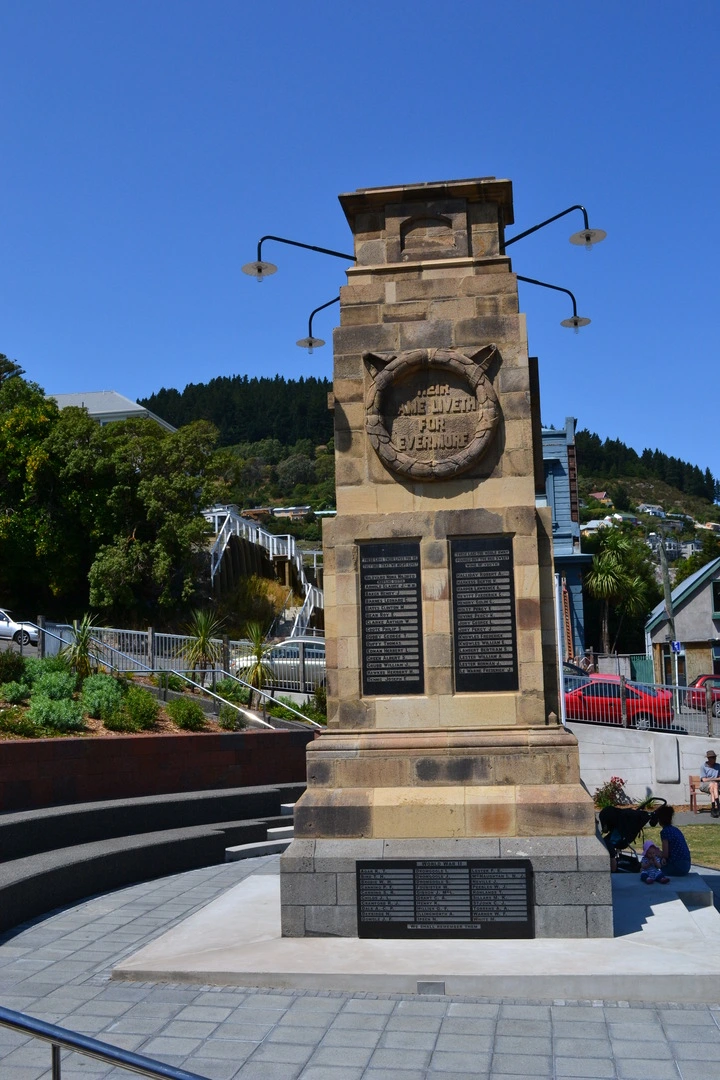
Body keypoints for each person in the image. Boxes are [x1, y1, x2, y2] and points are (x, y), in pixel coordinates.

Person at [655, 804, 691, 876]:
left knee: (653, 856)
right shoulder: (675, 830)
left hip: (676, 867)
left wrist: (657, 853)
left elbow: (665, 854)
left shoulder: (665, 832)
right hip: (686, 865)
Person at [700, 750, 720, 817]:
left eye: (714, 757)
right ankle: (718, 806)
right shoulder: (703, 766)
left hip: (715, 785)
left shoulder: (718, 766)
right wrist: (714, 779)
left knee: (714, 785)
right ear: (708, 758)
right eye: (712, 757)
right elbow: (704, 779)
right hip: (705, 785)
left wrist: (710, 779)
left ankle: (713, 808)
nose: (714, 759)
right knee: (713, 784)